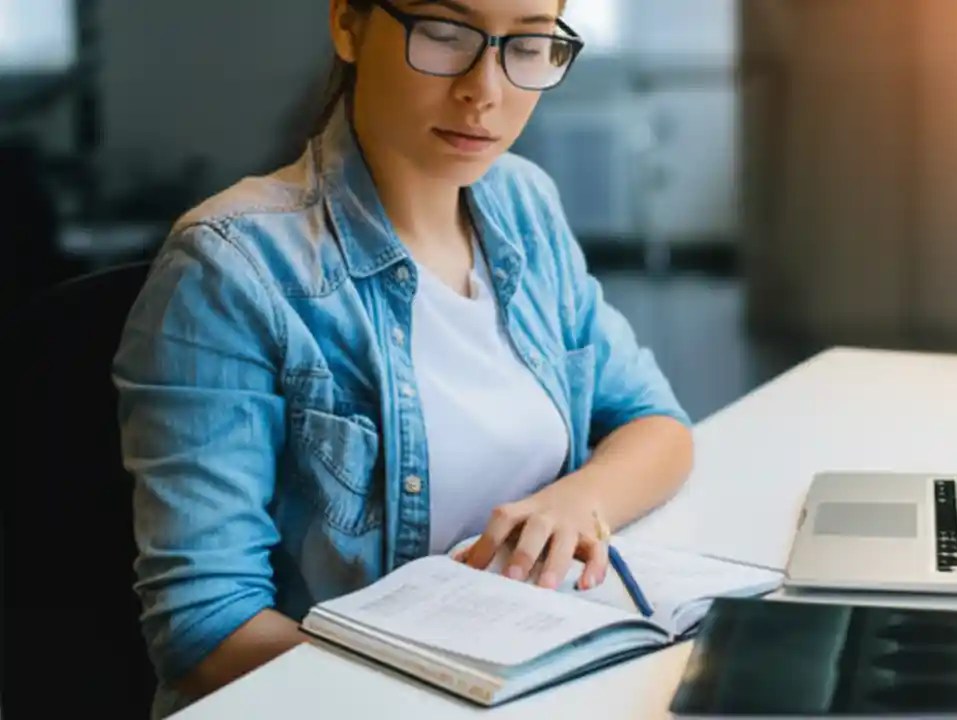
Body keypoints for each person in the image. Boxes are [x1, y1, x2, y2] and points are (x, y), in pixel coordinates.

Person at [112, 0, 694, 716]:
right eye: (445, 34)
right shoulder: (232, 266)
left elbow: (656, 424)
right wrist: (444, 692)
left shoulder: (523, 204)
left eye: (529, 44)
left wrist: (572, 502)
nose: (486, 90)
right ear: (348, 25)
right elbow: (206, 630)